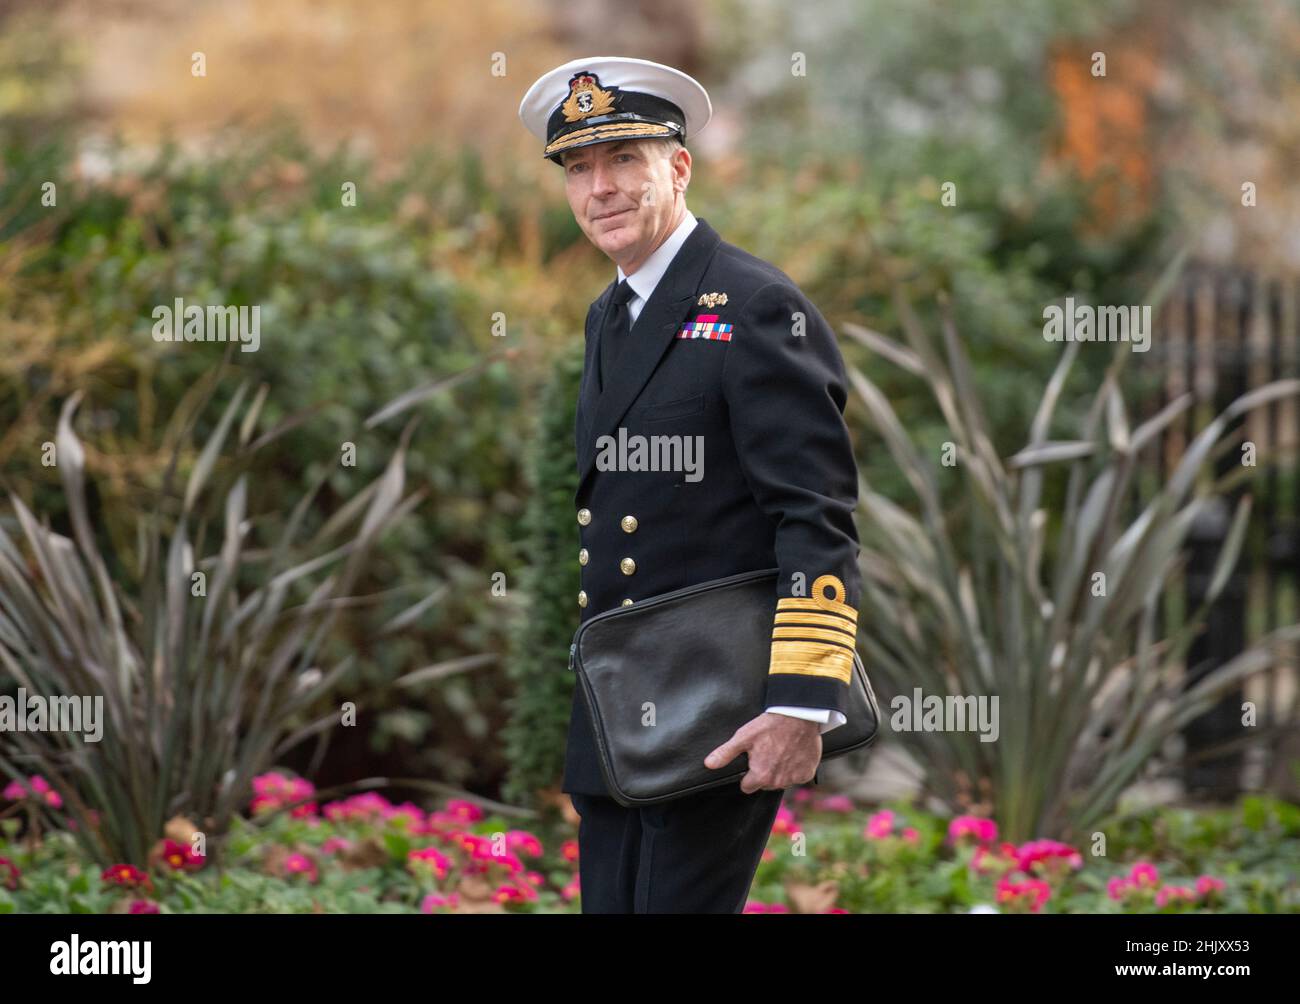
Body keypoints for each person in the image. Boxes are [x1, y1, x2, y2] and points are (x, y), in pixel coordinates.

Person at [518, 56, 863, 913]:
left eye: (624, 160)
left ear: (678, 167)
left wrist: (800, 704)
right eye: (579, 168)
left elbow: (816, 518)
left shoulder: (753, 305)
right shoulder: (612, 312)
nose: (600, 188)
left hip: (719, 714)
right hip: (622, 706)